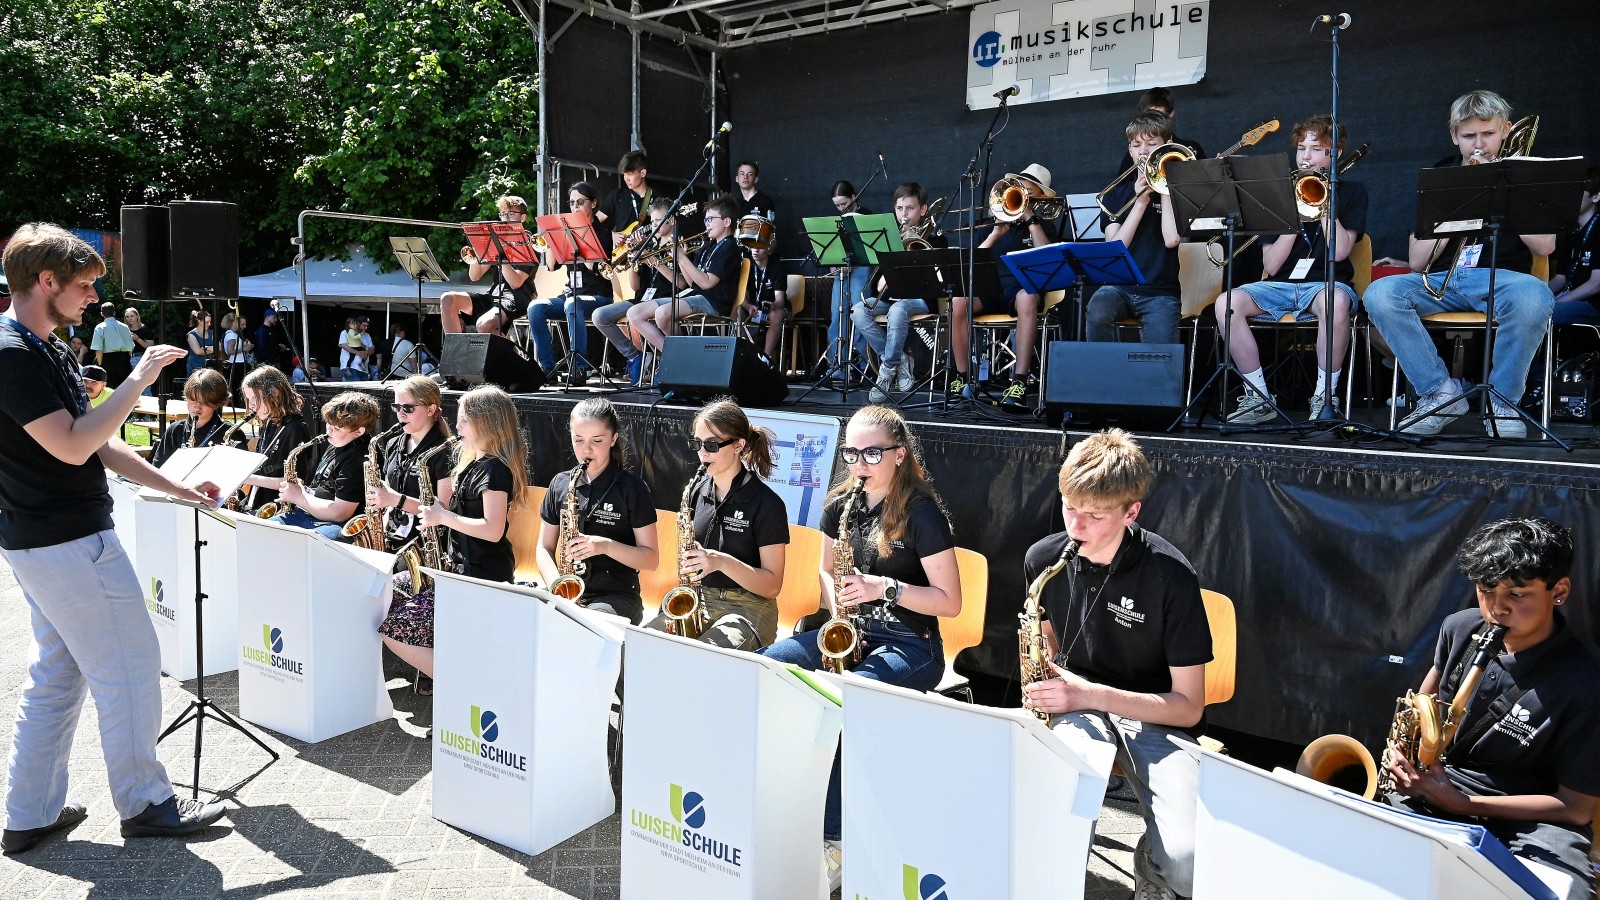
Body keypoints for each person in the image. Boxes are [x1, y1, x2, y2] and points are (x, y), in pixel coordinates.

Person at [0, 223, 229, 855]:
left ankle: (28, 814)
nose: (93, 298)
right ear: (45, 281)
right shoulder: (13, 354)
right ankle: (147, 803)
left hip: (46, 541)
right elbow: (74, 447)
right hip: (68, 541)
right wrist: (138, 382)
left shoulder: (39, 345)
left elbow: (97, 440)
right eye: (83, 285)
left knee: (57, 675)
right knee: (129, 669)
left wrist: (177, 486)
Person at [761, 405, 962, 889]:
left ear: (899, 454)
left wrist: (883, 589)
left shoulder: (921, 513)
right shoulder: (841, 503)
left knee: (843, 700)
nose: (859, 463)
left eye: (872, 452)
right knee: (770, 669)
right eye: (852, 452)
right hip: (852, 629)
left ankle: (837, 841)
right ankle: (784, 805)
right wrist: (838, 612)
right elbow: (826, 571)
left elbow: (950, 602)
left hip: (912, 643)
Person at [1022, 429, 1212, 900]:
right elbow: (1043, 648)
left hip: (1154, 719)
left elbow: (1189, 708)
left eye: (1094, 515)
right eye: (1070, 508)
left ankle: (1151, 860)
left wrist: (1088, 694)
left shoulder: (1171, 575)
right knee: (1055, 833)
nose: (1076, 527)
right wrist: (1049, 685)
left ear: (1132, 512)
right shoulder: (1044, 559)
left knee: (1188, 868)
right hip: (1075, 711)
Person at [1383, 517, 1598, 900]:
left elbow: (1576, 809)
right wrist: (1405, 752)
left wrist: (1463, 805)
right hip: (1444, 784)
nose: (1496, 609)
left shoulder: (1585, 683)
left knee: (1565, 893)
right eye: (1485, 590)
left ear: (1559, 591)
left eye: (1517, 595)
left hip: (1532, 819)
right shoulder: (1460, 628)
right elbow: (1424, 703)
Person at [1366, 91, 1557, 439]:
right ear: (1455, 136)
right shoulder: (1442, 175)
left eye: (1488, 134)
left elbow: (1545, 245)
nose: (1479, 145)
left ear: (1507, 131)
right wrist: (1458, 203)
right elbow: (1418, 261)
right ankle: (1441, 392)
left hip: (1505, 278)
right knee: (1380, 294)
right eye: (1469, 136)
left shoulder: (1527, 172)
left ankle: (1503, 403)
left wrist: (1504, 191)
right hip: (1445, 278)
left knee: (1534, 298)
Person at [1218, 114, 1368, 424]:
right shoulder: (1279, 193)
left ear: (1335, 153)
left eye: (1315, 149)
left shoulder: (1353, 192)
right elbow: (1271, 266)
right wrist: (1293, 214)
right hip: (1280, 285)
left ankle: (1325, 397)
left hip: (1325, 284)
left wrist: (1324, 206)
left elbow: (1340, 252)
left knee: (1336, 303)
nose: (1306, 156)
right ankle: (1258, 397)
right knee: (1225, 304)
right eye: (1301, 149)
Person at [381, 385, 528, 678]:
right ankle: (456, 658)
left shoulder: (495, 470)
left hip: (481, 576)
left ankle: (461, 679)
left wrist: (443, 517)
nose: (456, 426)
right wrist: (433, 511)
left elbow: (493, 530)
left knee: (393, 631)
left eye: (463, 421)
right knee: (388, 588)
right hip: (459, 570)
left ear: (485, 423)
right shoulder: (472, 463)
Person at [643, 398, 788, 650]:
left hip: (749, 608)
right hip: (700, 599)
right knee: (636, 647)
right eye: (697, 444)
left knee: (705, 660)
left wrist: (720, 561)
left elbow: (772, 586)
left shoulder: (767, 503)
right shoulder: (696, 492)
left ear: (738, 445)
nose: (702, 453)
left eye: (711, 444)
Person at [536, 397, 658, 624]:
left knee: (584, 627)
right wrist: (559, 587)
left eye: (597, 440)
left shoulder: (633, 488)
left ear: (614, 439)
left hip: (617, 596)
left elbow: (651, 559)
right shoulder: (560, 483)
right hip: (566, 590)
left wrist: (603, 546)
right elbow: (544, 547)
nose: (586, 449)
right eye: (578, 440)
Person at [950, 165, 1058, 411]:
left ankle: (1018, 382)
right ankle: (962, 377)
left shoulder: (1043, 224)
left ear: (1039, 198)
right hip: (991, 289)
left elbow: (1047, 258)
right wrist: (995, 234)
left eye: (1029, 192)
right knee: (958, 301)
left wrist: (1030, 218)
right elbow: (970, 266)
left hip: (1023, 288)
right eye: (1019, 190)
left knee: (1029, 298)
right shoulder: (990, 225)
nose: (1022, 196)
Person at [1087, 113, 1183, 348]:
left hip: (1161, 292)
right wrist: (1140, 203)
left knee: (1159, 358)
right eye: (1137, 145)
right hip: (1118, 288)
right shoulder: (1114, 195)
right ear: (1129, 150)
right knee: (1098, 309)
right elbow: (1114, 249)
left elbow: (1172, 239)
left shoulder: (1178, 194)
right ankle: (1107, 379)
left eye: (1152, 145)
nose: (1143, 152)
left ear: (1167, 147)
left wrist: (1166, 187)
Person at [852, 182, 944, 403]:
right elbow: (877, 286)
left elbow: (935, 280)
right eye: (900, 208)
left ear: (923, 210)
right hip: (891, 297)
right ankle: (896, 360)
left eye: (910, 208)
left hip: (921, 300)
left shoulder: (936, 239)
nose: (904, 214)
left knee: (897, 310)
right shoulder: (887, 239)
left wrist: (915, 243)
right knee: (858, 310)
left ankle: (885, 373)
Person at [626, 196, 742, 354]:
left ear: (727, 222)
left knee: (662, 314)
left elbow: (707, 284)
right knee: (634, 313)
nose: (706, 223)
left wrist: (681, 257)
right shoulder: (707, 246)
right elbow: (691, 283)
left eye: (710, 219)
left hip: (713, 301)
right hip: (694, 295)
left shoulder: (729, 247)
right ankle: (674, 354)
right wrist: (681, 259)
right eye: (705, 219)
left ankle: (683, 356)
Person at [525, 182, 615, 384]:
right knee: (535, 308)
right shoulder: (566, 232)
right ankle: (547, 367)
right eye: (572, 203)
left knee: (572, 303)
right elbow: (550, 266)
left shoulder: (603, 232)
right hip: (570, 295)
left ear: (593, 203)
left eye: (580, 202)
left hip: (599, 295)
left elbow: (595, 267)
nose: (575, 207)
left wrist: (578, 241)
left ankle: (579, 367)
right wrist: (551, 238)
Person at [267, 391, 377, 541]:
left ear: (358, 432)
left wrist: (299, 496)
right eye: (328, 423)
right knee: (263, 530)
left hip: (339, 525)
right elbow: (327, 488)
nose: (329, 430)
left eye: (337, 428)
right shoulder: (338, 442)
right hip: (313, 515)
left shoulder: (361, 457)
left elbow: (340, 513)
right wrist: (306, 491)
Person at [367, 375, 454, 557]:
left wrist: (396, 500)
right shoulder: (392, 443)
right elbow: (389, 496)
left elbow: (444, 510)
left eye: (408, 408)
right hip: (393, 536)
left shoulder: (444, 450)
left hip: (426, 545)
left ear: (430, 410)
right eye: (397, 407)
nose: (400, 414)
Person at [594, 198, 676, 385]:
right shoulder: (649, 244)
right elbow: (635, 287)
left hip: (665, 300)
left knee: (635, 314)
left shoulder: (678, 245)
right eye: (653, 222)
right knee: (600, 316)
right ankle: (635, 356)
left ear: (671, 220)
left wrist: (655, 261)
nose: (654, 226)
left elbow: (681, 284)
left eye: (659, 221)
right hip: (642, 299)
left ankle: (667, 360)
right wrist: (634, 260)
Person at [441, 195, 538, 336]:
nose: (505, 219)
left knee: (484, 325)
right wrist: (476, 254)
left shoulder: (530, 243)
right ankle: (456, 353)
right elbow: (474, 276)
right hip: (494, 295)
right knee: (448, 299)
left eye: (511, 214)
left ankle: (510, 356)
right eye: (503, 214)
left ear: (522, 218)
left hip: (518, 297)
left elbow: (515, 283)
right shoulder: (497, 241)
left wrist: (502, 255)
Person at [233, 366, 311, 514]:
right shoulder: (270, 422)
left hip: (281, 510)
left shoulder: (296, 429)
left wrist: (247, 478)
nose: (251, 405)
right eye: (249, 399)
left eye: (255, 398)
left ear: (275, 393)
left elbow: (295, 482)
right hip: (258, 503)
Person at [820, 180, 873, 381]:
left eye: (844, 203)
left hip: (861, 270)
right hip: (842, 273)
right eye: (838, 206)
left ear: (854, 197)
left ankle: (863, 364)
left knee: (860, 315)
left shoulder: (867, 215)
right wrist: (832, 263)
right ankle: (837, 365)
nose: (841, 208)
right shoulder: (837, 222)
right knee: (837, 317)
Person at [1112, 86, 1207, 176]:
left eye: (1160, 115)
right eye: (1149, 115)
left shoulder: (1191, 148)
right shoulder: (1135, 154)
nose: (1154, 119)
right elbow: (1118, 191)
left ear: (1171, 114)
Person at [150, 368, 235, 468]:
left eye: (204, 402)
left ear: (216, 402)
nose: (197, 406)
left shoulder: (230, 432)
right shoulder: (175, 430)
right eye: (192, 400)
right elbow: (158, 467)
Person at [1550, 168, 1600, 327]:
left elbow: (1596, 284)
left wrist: (1558, 301)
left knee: (1545, 314)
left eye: (1579, 190)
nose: (1571, 196)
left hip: (1593, 305)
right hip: (1573, 300)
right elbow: (1561, 279)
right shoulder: (1572, 231)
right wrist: (1535, 297)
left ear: (1596, 196)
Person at [740, 240, 789, 361]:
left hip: (773, 309)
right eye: (753, 247)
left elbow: (780, 301)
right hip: (754, 310)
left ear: (769, 248)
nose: (756, 250)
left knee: (776, 315)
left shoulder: (778, 267)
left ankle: (766, 358)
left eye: (760, 247)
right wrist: (748, 306)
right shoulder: (746, 266)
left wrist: (771, 305)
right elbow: (742, 298)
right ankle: (748, 354)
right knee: (736, 312)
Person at [596, 150, 652, 248]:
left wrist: (646, 239)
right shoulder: (616, 196)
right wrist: (611, 235)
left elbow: (663, 232)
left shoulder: (657, 199)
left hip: (646, 257)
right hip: (619, 257)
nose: (626, 178)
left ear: (643, 173)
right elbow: (593, 224)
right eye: (624, 174)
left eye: (630, 174)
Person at [91, 300, 136, 387]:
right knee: (125, 388)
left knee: (110, 390)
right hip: (124, 359)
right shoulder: (125, 326)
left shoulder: (100, 327)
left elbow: (98, 349)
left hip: (108, 361)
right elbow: (131, 348)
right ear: (114, 313)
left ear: (102, 314)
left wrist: (100, 364)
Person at [219, 311, 252, 401]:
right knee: (236, 388)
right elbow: (230, 350)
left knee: (235, 387)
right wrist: (244, 349)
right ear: (234, 322)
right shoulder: (232, 335)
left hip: (236, 363)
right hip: (237, 364)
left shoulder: (230, 334)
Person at [125, 307, 156, 396]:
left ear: (137, 316)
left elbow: (151, 346)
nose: (129, 318)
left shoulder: (144, 329)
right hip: (127, 359)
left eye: (132, 316)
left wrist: (137, 339)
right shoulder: (125, 329)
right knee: (131, 385)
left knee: (144, 384)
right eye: (127, 317)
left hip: (141, 358)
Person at [337, 315, 374, 381]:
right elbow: (344, 346)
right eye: (364, 325)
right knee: (356, 389)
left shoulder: (367, 335)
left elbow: (372, 348)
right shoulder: (345, 332)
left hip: (364, 369)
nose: (366, 328)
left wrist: (366, 352)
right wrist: (359, 353)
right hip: (351, 367)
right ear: (357, 323)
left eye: (367, 326)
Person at [184, 310, 214, 376]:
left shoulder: (212, 333)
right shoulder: (191, 335)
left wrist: (204, 349)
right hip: (195, 368)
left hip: (209, 368)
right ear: (199, 321)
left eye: (210, 322)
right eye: (207, 322)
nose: (209, 324)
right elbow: (198, 351)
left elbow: (219, 348)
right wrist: (211, 349)